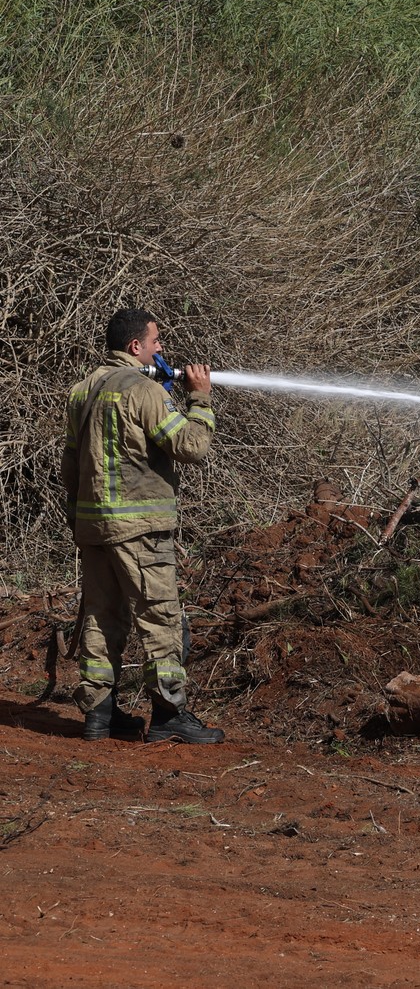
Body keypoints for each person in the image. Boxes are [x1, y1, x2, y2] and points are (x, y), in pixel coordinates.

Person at [61, 308, 224, 743]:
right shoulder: (143, 390)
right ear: (137, 347)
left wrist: (80, 516)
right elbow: (191, 447)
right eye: (156, 341)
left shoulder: (83, 390)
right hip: (140, 528)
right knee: (160, 618)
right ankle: (170, 716)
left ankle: (99, 714)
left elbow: (70, 463)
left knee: (101, 617)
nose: (162, 348)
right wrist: (200, 398)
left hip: (94, 528)